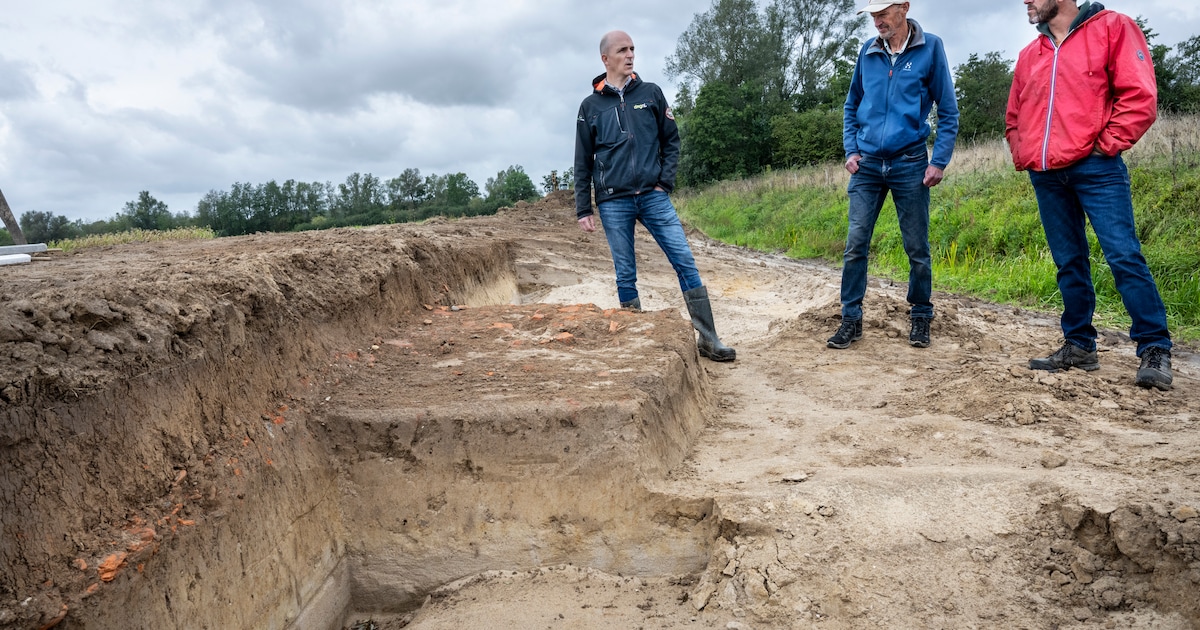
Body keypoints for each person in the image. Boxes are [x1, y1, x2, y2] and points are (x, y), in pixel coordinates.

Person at [1006, 0, 1173, 390]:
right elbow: (1014, 116)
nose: (1025, 1)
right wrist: (1023, 152)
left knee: (1123, 256)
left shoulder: (1113, 28)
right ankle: (1079, 345)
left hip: (1097, 170)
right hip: (1046, 174)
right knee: (1068, 262)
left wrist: (1106, 145)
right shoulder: (1030, 53)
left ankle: (1154, 347)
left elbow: (1140, 96)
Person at [574, 30, 736, 362]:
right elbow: (582, 159)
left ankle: (709, 339)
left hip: (653, 196)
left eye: (632, 49)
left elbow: (671, 140)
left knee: (684, 261)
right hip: (613, 200)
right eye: (622, 50)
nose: (630, 54)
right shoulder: (590, 106)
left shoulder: (651, 93)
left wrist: (665, 182)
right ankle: (637, 346)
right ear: (605, 59)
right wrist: (582, 207)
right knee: (625, 273)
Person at [829, 0, 959, 350]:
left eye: (883, 13)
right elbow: (852, 105)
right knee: (855, 244)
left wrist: (939, 161)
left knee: (916, 247)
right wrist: (851, 150)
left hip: (910, 162)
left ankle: (921, 315)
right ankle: (851, 319)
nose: (877, 21)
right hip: (868, 165)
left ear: (904, 8)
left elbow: (948, 111)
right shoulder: (868, 52)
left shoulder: (931, 48)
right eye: (873, 15)